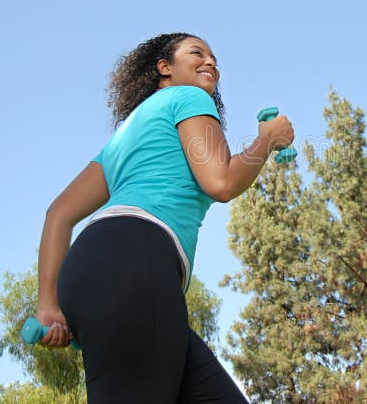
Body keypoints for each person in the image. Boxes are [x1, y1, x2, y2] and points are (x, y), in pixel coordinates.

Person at [34, 32, 294, 403]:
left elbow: (58, 214)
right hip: (135, 269)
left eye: (214, 58)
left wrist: (49, 305)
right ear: (164, 68)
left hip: (95, 271)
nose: (211, 62)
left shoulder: (126, 135)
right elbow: (221, 182)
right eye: (197, 53)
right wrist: (267, 139)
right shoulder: (189, 98)